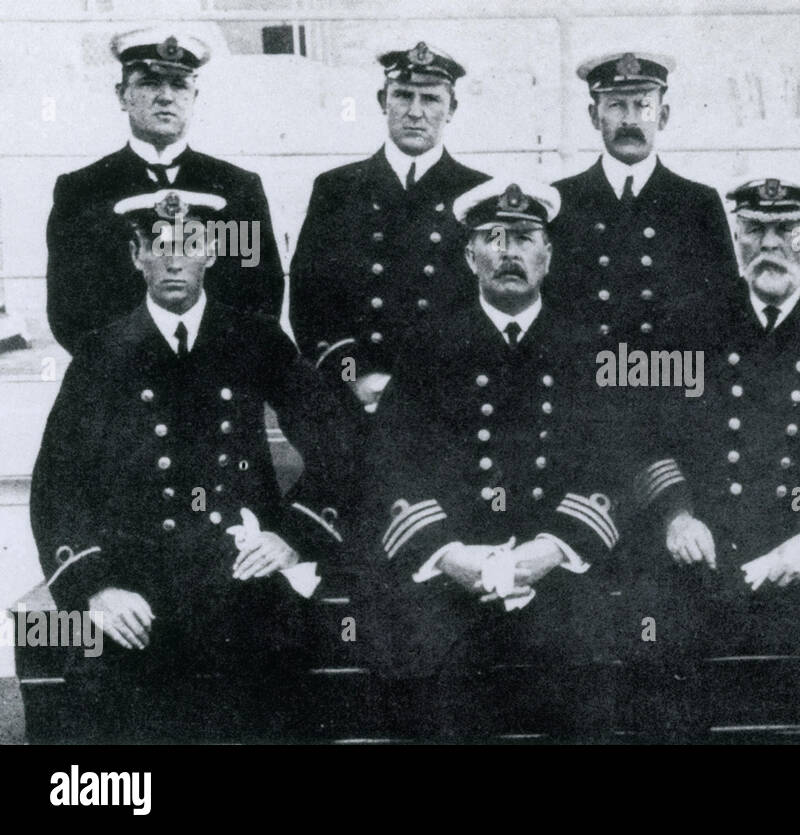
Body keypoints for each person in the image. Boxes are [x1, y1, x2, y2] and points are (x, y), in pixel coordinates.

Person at [30, 189, 353, 742]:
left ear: (212, 252)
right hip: (136, 579)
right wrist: (97, 587)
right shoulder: (102, 352)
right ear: (136, 255)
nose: (174, 258)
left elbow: (338, 440)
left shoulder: (254, 339)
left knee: (273, 694)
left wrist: (292, 536)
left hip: (240, 572)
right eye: (158, 245)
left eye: (190, 243)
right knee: (101, 702)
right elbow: (59, 484)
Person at [625, 177, 800, 741]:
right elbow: (643, 435)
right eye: (755, 230)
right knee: (649, 641)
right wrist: (677, 516)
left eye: (787, 230)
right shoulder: (687, 327)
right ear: (736, 238)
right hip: (705, 556)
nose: (770, 244)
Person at [362, 179, 627, 740]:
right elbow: (391, 462)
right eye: (493, 236)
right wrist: (449, 554)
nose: (509, 250)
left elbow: (613, 459)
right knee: (429, 671)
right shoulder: (429, 346)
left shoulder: (591, 348)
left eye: (525, 236)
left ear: (548, 256)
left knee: (595, 670)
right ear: (469, 255)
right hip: (454, 572)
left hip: (557, 568)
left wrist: (552, 548)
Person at [45, 28, 283, 353]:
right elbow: (70, 307)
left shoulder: (237, 188)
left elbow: (260, 294)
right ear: (121, 95)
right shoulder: (83, 190)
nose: (166, 97)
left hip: (219, 385)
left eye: (180, 84)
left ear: (194, 97)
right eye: (150, 83)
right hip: (122, 384)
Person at [290, 41, 489, 421]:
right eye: (403, 95)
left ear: (452, 109)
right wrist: (355, 377)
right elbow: (310, 302)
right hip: (354, 397)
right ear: (383, 100)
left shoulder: (479, 195)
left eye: (430, 99)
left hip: (448, 399)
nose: (415, 112)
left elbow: (490, 305)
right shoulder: (336, 189)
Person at [548, 51, 735, 343]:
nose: (629, 119)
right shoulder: (560, 200)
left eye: (643, 106)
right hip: (587, 378)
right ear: (594, 117)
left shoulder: (698, 204)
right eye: (616, 105)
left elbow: (724, 311)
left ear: (662, 117)